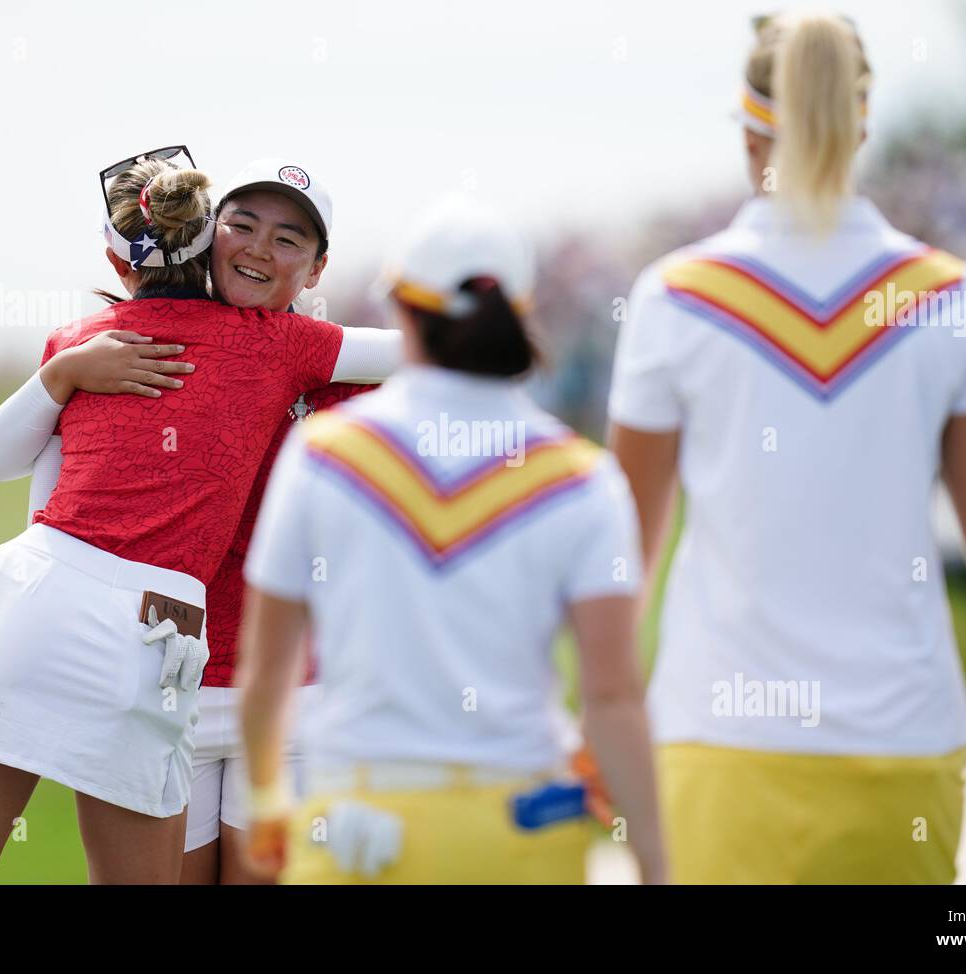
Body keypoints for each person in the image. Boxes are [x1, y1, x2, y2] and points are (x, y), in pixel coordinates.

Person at [606, 11, 966, 883]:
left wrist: (598, 712)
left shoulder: (674, 298)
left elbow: (625, 544)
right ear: (859, 124)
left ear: (750, 132)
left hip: (718, 744)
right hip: (901, 748)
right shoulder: (948, 294)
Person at [0, 148, 392, 884]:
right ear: (208, 236)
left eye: (289, 238)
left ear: (318, 270)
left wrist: (61, 373)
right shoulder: (282, 344)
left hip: (62, 602)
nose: (261, 247)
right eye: (244, 224)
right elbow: (444, 351)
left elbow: (23, 482)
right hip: (165, 640)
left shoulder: (89, 342)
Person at [239, 197, 666, 884]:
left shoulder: (324, 455)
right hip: (522, 831)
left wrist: (266, 804)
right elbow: (613, 697)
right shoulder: (583, 478)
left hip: (355, 829)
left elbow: (266, 675)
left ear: (402, 310)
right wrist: (654, 864)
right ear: (520, 314)